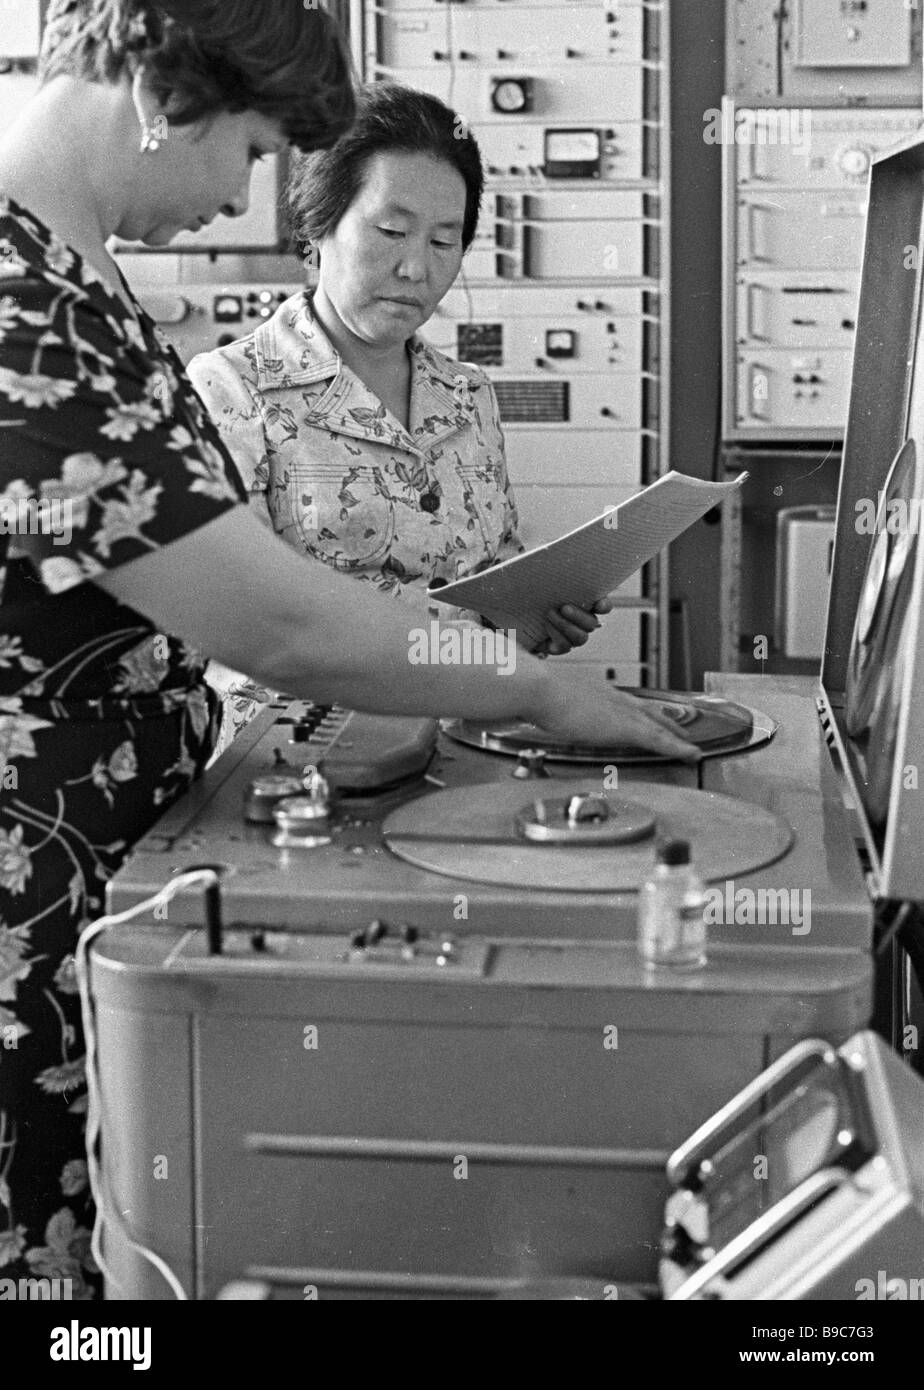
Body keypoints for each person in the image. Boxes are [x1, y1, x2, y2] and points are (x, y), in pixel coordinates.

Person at [0, 0, 695, 1296]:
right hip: (40, 880)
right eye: (257, 147)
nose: (247, 192)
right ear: (166, 91)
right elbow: (280, 623)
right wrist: (542, 690)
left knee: (129, 1228)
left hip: (123, 852)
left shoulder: (67, 277)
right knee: (62, 1253)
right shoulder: (25, 307)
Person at [188, 84, 613, 747]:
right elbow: (240, 625)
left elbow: (491, 588)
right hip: (298, 765)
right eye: (391, 231)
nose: (417, 267)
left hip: (466, 745)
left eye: (446, 241)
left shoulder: (468, 394)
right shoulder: (232, 390)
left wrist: (537, 619)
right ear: (318, 224)